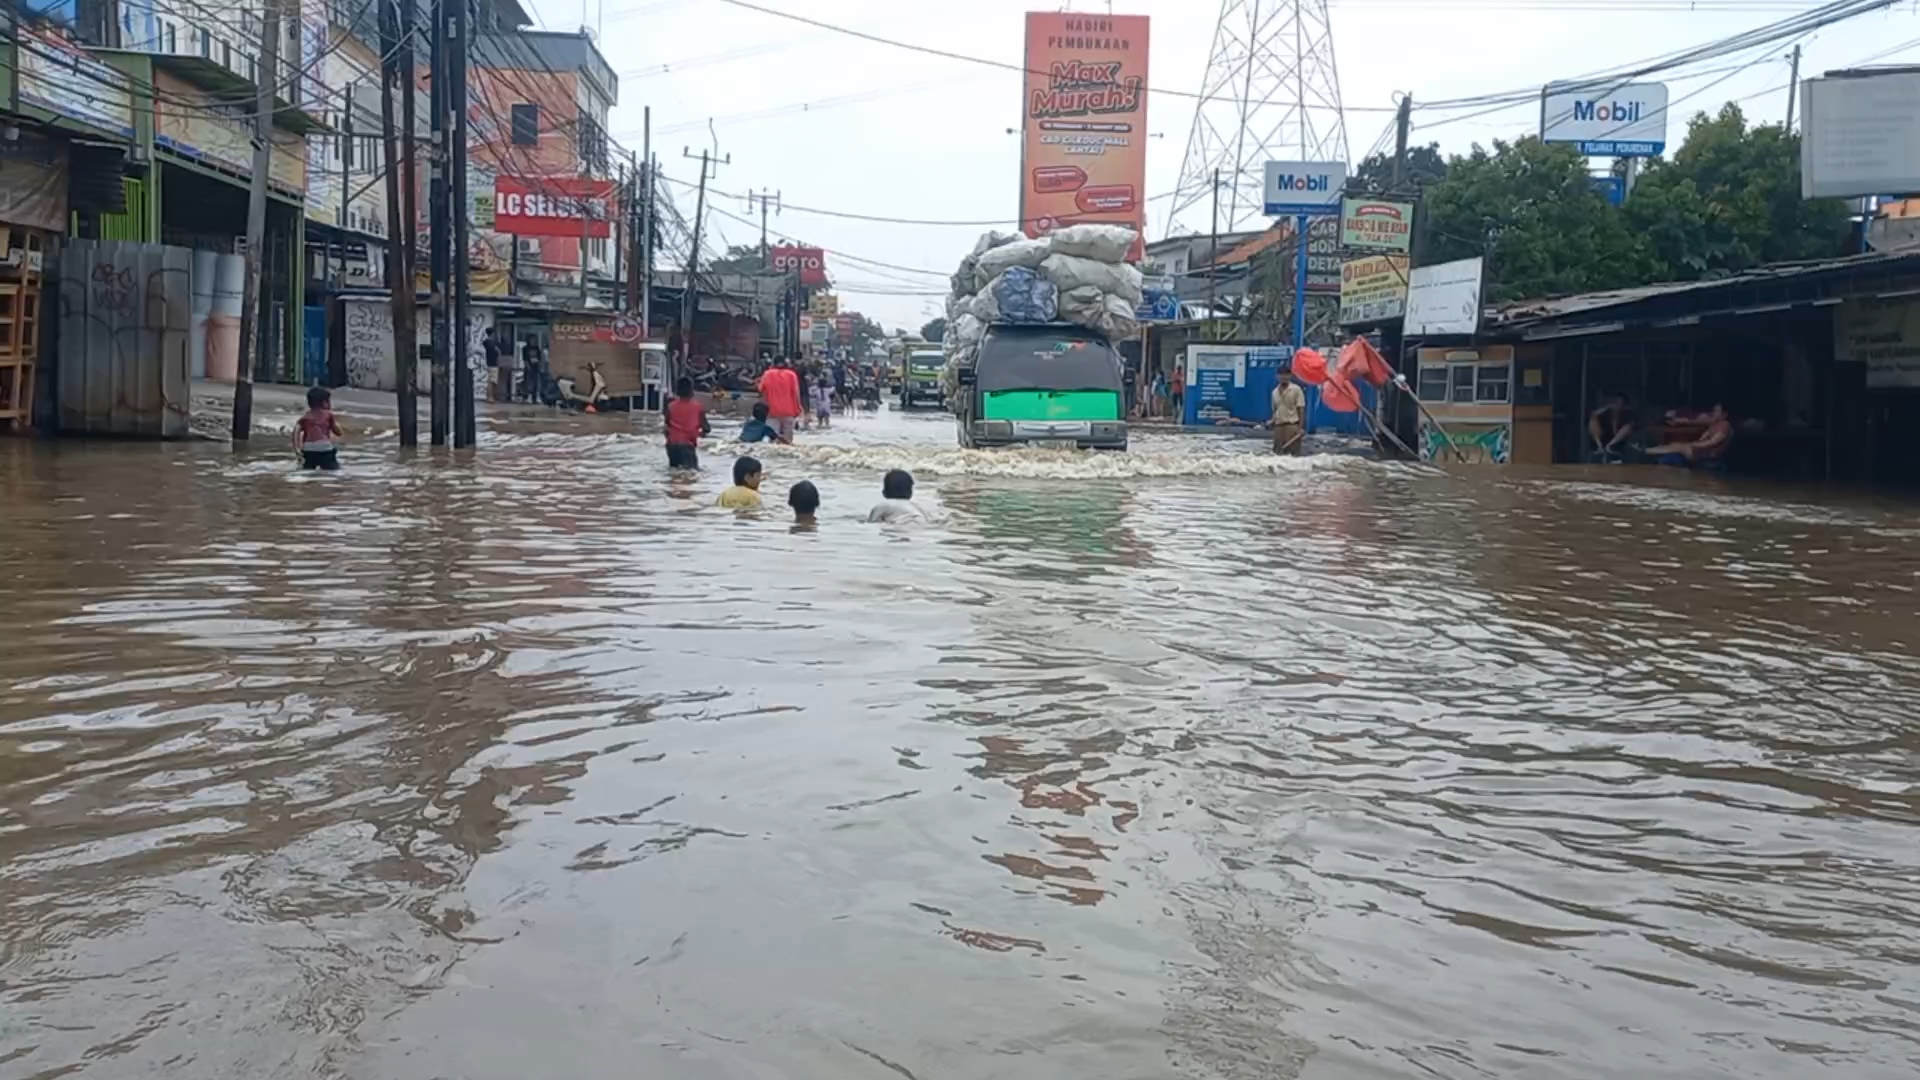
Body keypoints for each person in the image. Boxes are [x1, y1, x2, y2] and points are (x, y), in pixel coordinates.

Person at [1645, 404, 1734, 468]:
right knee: (1675, 444)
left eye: (1717, 411)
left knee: (1678, 447)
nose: (1713, 413)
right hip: (1700, 449)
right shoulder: (1714, 424)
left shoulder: (1724, 425)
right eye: (1714, 410)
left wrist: (1693, 445)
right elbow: (1695, 423)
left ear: (1724, 414)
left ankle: (1646, 451)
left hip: (1706, 453)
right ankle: (1648, 450)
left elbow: (1712, 442)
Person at [293, 386, 343, 470]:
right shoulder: (328, 415)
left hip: (308, 449)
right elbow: (338, 432)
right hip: (325, 448)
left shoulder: (305, 417)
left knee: (307, 469)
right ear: (324, 403)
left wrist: (297, 449)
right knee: (334, 470)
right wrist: (337, 427)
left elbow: (296, 431)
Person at [664, 376, 710, 469]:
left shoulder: (670, 406)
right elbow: (706, 428)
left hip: (671, 446)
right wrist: (701, 434)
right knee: (692, 474)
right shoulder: (698, 408)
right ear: (691, 391)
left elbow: (667, 425)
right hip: (687, 446)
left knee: (674, 473)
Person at [757, 357, 802, 443]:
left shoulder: (767, 374)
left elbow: (760, 389)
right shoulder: (792, 375)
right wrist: (798, 410)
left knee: (773, 438)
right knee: (788, 440)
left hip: (772, 411)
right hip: (789, 411)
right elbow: (796, 393)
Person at [866, 469, 933, 523]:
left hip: (899, 526)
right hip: (920, 524)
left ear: (884, 492)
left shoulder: (882, 506)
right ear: (910, 493)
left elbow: (871, 522)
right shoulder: (917, 506)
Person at [1270, 368, 1307, 455]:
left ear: (1290, 376)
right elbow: (1275, 410)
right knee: (1277, 453)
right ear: (1277, 376)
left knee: (1293, 454)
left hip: (1292, 426)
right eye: (1281, 375)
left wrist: (1300, 427)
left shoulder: (1296, 390)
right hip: (1278, 427)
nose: (1283, 377)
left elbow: (1301, 409)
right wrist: (1272, 421)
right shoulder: (1274, 392)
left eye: (1286, 375)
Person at [1588, 395, 1636, 462]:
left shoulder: (1627, 415)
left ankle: (1610, 446)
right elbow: (1594, 414)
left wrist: (1611, 444)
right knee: (1593, 420)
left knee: (1628, 426)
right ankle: (1599, 447)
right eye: (1616, 402)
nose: (1617, 405)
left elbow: (1630, 426)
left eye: (1620, 403)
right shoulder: (1606, 413)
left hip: (1617, 443)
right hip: (1602, 441)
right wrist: (1607, 407)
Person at [521, 336, 545, 403]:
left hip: (536, 367)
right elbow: (524, 358)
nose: (533, 341)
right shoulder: (525, 348)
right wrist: (527, 366)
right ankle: (528, 396)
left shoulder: (536, 348)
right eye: (531, 339)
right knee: (528, 382)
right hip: (529, 367)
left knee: (536, 382)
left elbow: (540, 358)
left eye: (534, 339)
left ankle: (536, 397)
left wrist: (540, 366)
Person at [483, 328, 503, 401]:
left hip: (490, 363)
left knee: (492, 381)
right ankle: (490, 396)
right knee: (492, 381)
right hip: (492, 364)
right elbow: (497, 352)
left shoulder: (487, 343)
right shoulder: (490, 343)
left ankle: (490, 396)